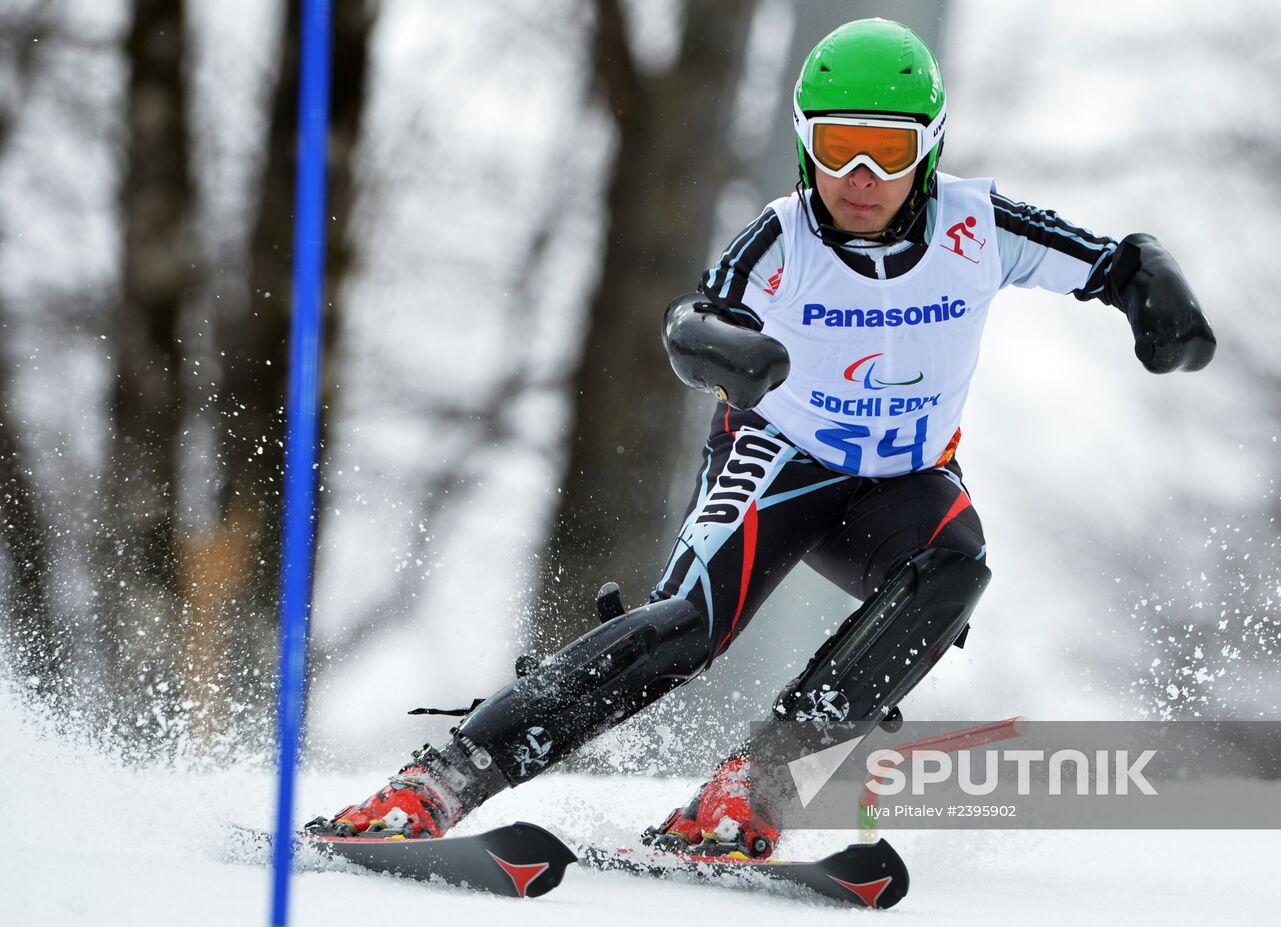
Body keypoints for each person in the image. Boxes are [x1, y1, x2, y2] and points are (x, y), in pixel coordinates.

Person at [311, 18, 1215, 857]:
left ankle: (755, 787)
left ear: (930, 149)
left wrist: (1152, 284)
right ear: (803, 143)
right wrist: (716, 345)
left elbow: (1109, 261)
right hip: (780, 462)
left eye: (889, 147)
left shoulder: (977, 226)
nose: (860, 172)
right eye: (835, 144)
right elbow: (695, 314)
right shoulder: (782, 235)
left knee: (955, 566)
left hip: (902, 483)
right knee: (687, 631)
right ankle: (437, 783)